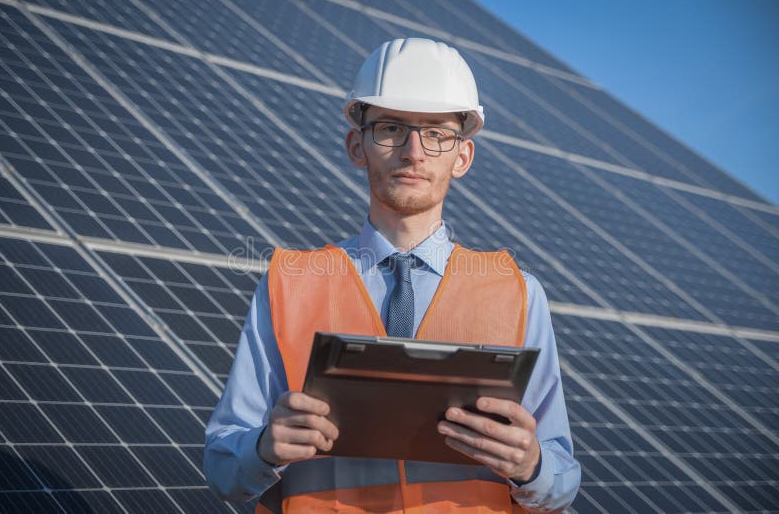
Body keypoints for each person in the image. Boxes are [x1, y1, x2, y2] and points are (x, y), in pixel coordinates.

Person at [204, 37, 581, 513]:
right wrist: (262, 448)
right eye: (390, 128)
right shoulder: (288, 285)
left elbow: (562, 484)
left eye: (437, 134)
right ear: (356, 145)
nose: (413, 152)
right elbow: (223, 471)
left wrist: (532, 465)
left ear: (461, 157)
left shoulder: (519, 294)